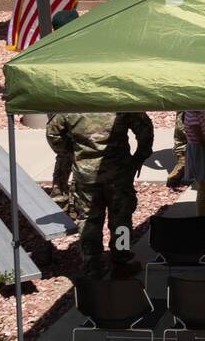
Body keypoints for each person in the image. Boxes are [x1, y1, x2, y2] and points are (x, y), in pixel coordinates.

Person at [46, 111, 153, 279]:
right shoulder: (118, 100)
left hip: (86, 177)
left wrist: (73, 154)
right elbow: (145, 128)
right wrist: (138, 157)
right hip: (119, 175)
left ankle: (92, 266)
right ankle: (121, 262)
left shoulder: (70, 105)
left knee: (89, 223)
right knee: (121, 223)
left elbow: (53, 134)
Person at [48, 10, 81, 212]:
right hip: (76, 111)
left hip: (57, 112)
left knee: (64, 155)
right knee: (80, 154)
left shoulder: (49, 49)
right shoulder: (80, 48)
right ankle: (75, 201)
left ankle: (59, 193)